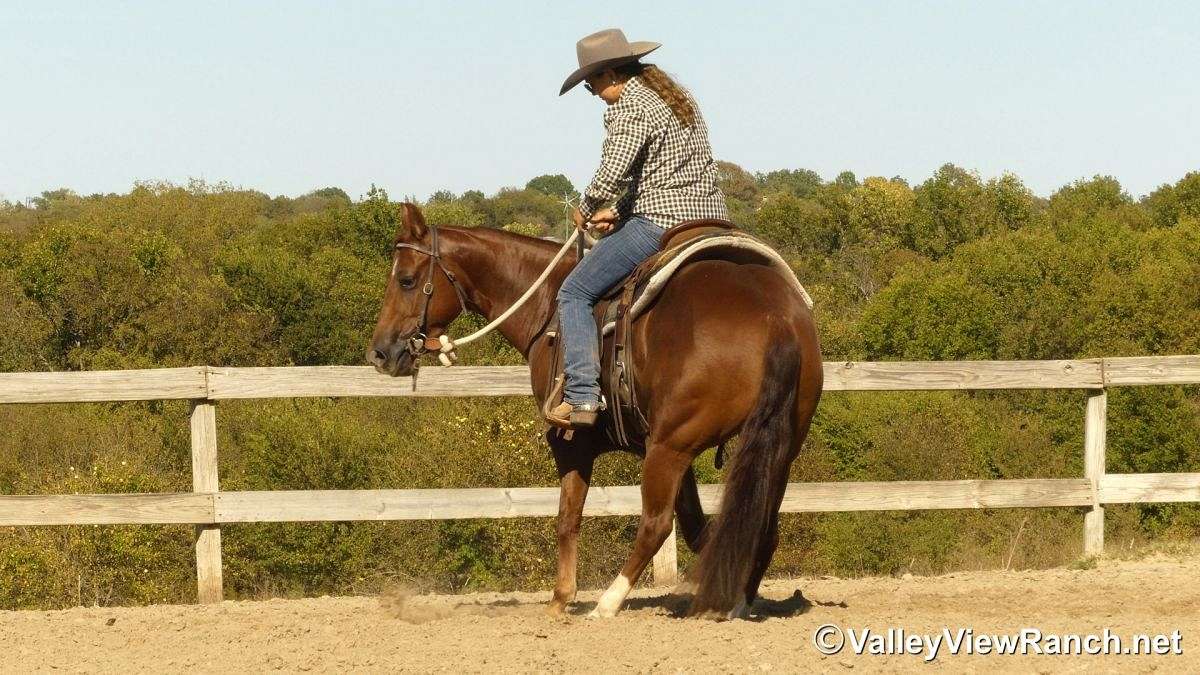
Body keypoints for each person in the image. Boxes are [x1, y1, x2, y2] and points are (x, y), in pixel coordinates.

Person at [546, 28, 728, 429]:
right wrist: (621, 211)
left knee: (573, 292)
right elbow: (659, 173)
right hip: (712, 218)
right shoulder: (675, 98)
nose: (592, 93)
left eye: (591, 84)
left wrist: (587, 207)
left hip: (660, 225)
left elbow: (614, 170)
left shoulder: (631, 106)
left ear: (611, 74)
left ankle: (582, 396)